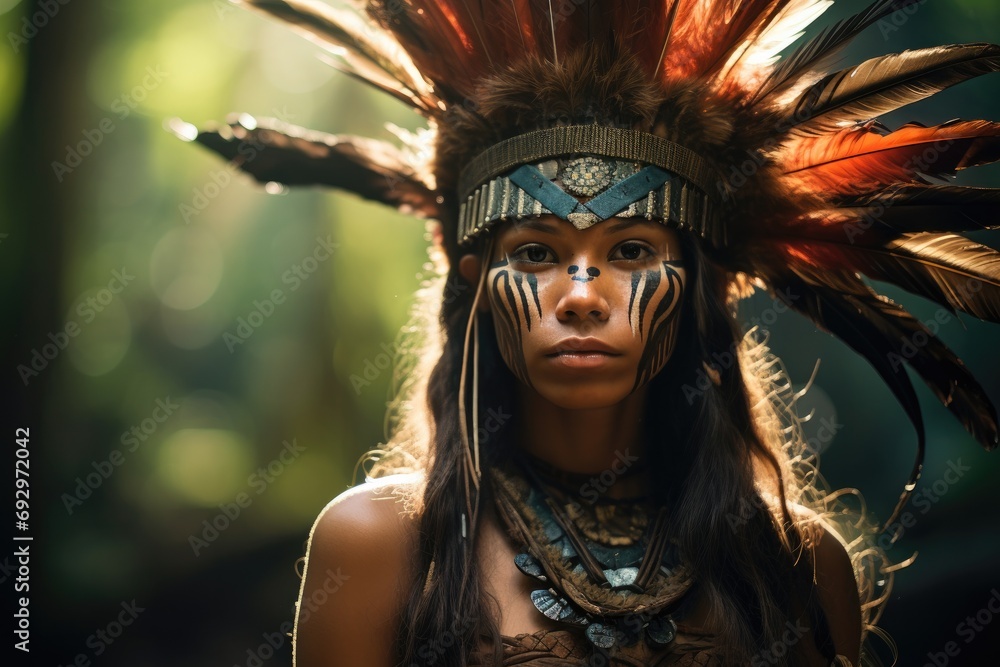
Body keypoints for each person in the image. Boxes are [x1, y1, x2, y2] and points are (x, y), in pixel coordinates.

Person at [184, 1, 1000, 664]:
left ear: (696, 290)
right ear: (474, 281)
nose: (581, 293)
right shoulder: (377, 546)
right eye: (537, 252)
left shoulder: (797, 568)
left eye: (632, 250)